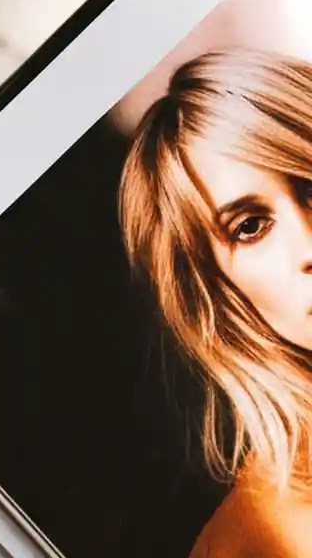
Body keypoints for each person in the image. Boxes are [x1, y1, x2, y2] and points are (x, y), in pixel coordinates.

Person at [119, 49, 312, 556]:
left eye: (311, 186)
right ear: (218, 292)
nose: (309, 245)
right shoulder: (255, 540)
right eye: (249, 227)